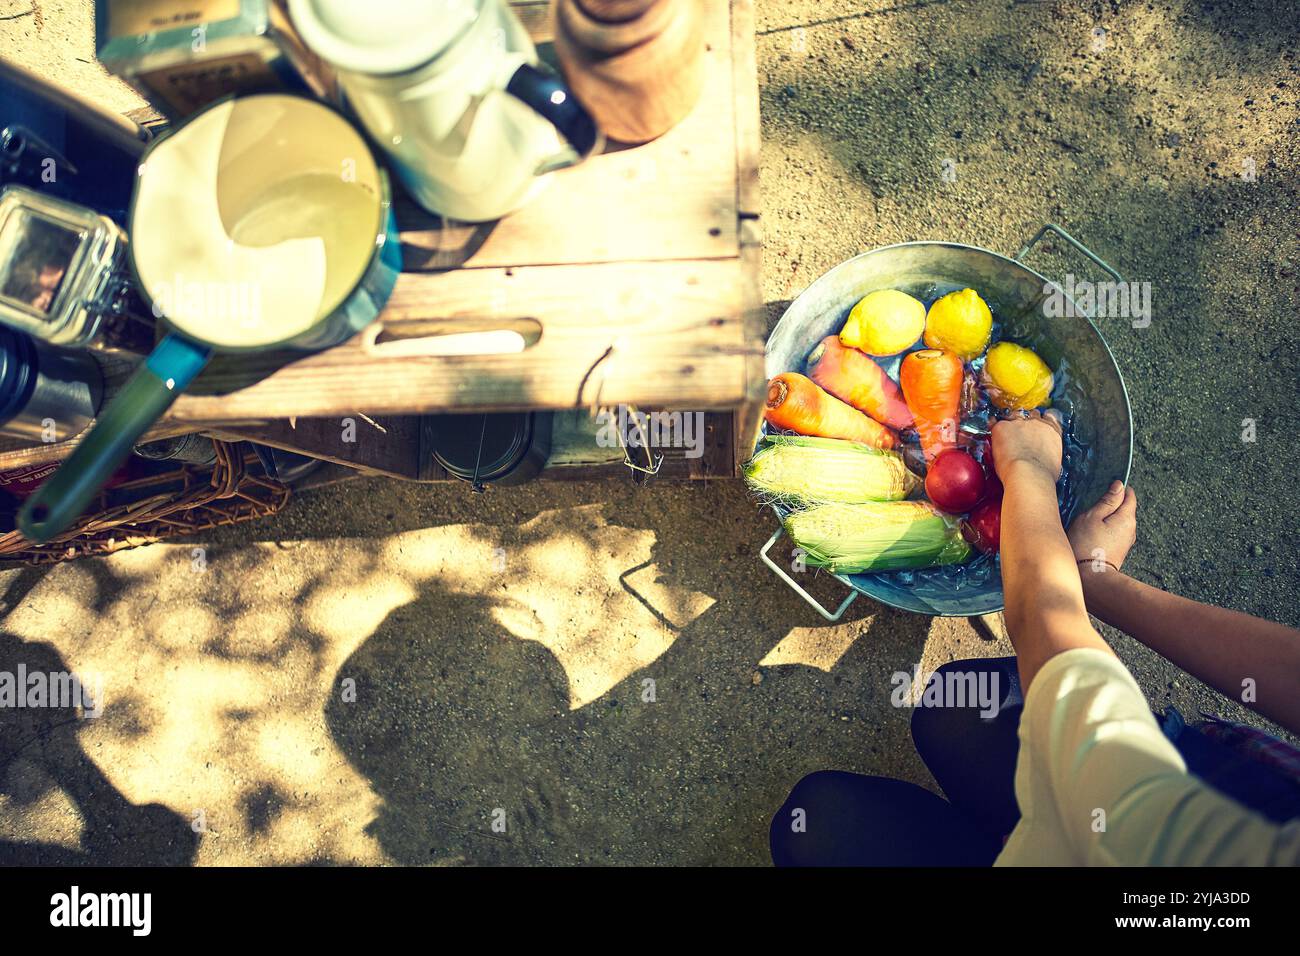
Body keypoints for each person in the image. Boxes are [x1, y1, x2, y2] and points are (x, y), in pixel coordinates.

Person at [770, 411, 1300, 866]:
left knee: (816, 820)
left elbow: (1050, 636)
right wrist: (1096, 581)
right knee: (954, 706)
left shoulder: (1190, 845)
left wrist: (1029, 467)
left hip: (1117, 813)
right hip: (1158, 788)